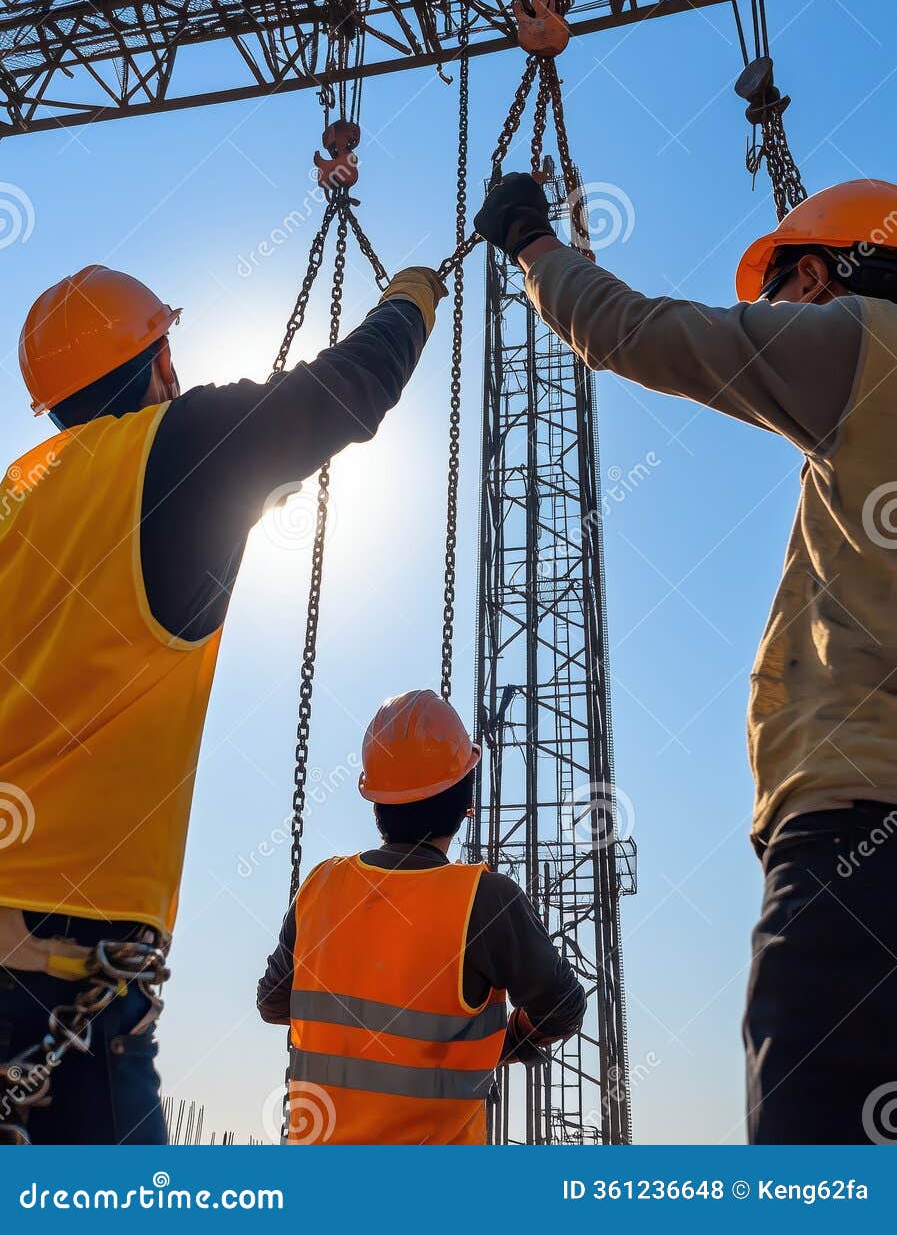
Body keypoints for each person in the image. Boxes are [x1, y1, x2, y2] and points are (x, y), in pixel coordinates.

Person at [474, 172, 897, 1146]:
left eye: (777, 299)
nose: (771, 323)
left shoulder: (854, 340)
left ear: (824, 276)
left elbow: (638, 331)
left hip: (858, 831)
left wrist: (534, 246)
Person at [0, 259, 446, 1144]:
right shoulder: (175, 446)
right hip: (61, 975)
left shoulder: (15, 502)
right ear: (158, 361)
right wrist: (413, 296)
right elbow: (348, 390)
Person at [257, 689, 586, 1143]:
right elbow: (562, 1008)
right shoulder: (485, 901)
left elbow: (273, 1003)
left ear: (376, 804)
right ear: (465, 804)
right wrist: (496, 1044)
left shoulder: (320, 887)